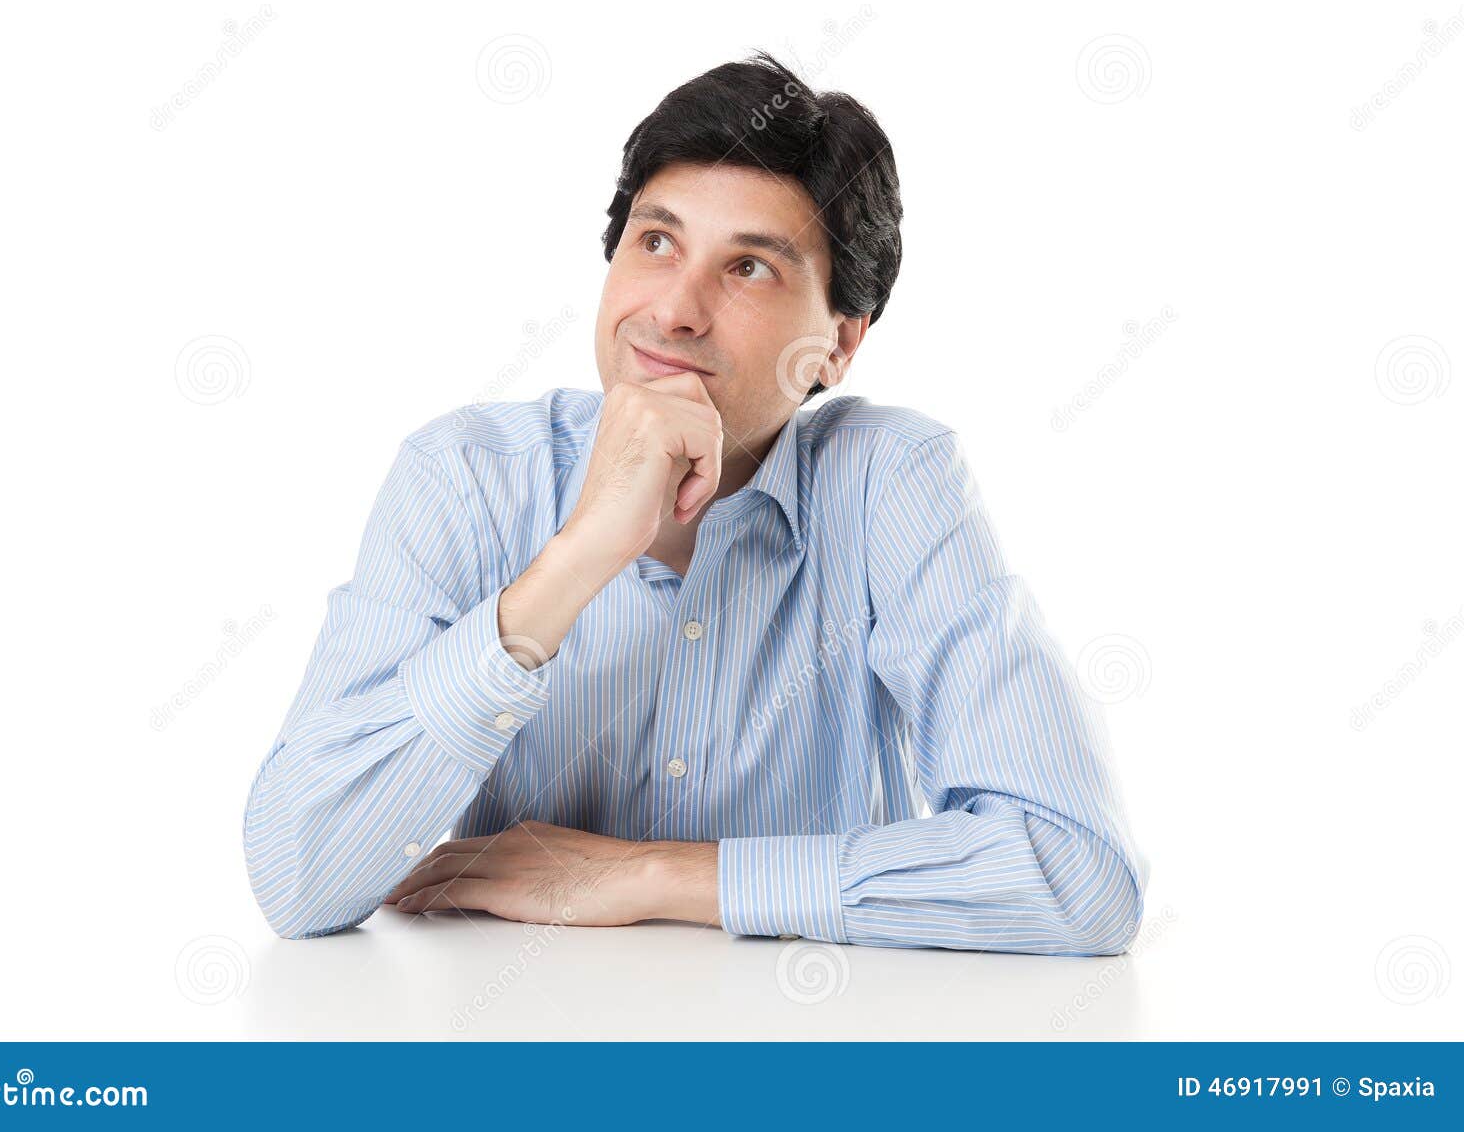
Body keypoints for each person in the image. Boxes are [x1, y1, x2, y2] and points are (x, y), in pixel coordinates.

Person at [243, 51, 1147, 952]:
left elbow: (1078, 874)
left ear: (838, 342)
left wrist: (658, 875)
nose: (675, 309)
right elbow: (298, 877)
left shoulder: (891, 482)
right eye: (657, 241)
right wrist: (583, 552)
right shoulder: (466, 475)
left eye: (749, 268)